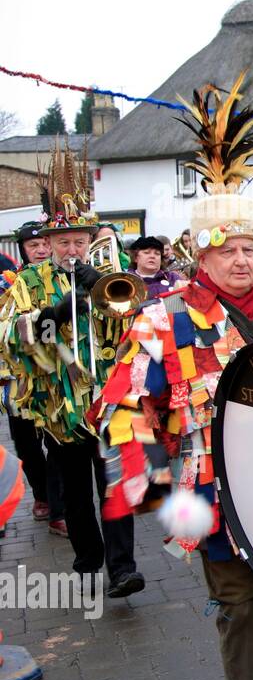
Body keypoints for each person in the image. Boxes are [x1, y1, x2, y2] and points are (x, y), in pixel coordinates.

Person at [95, 89, 253, 680]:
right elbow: (119, 406)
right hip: (215, 494)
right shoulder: (161, 320)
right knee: (239, 608)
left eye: (250, 247)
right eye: (227, 250)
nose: (243, 260)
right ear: (200, 253)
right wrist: (155, 484)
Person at [0, 147, 140, 599]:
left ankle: (123, 569)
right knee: (78, 494)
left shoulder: (107, 274)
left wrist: (96, 292)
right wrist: (56, 311)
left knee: (115, 487)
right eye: (64, 243)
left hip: (110, 401)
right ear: (49, 244)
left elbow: (133, 324)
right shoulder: (28, 281)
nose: (72, 249)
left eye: (80, 241)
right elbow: (10, 337)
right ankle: (87, 558)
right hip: (59, 408)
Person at [2, 222, 65, 535]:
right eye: (33, 246)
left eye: (44, 244)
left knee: (56, 442)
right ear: (23, 249)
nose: (40, 250)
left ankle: (58, 509)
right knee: (26, 446)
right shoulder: (8, 283)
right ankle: (40, 494)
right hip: (19, 379)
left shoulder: (62, 280)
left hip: (56, 377)